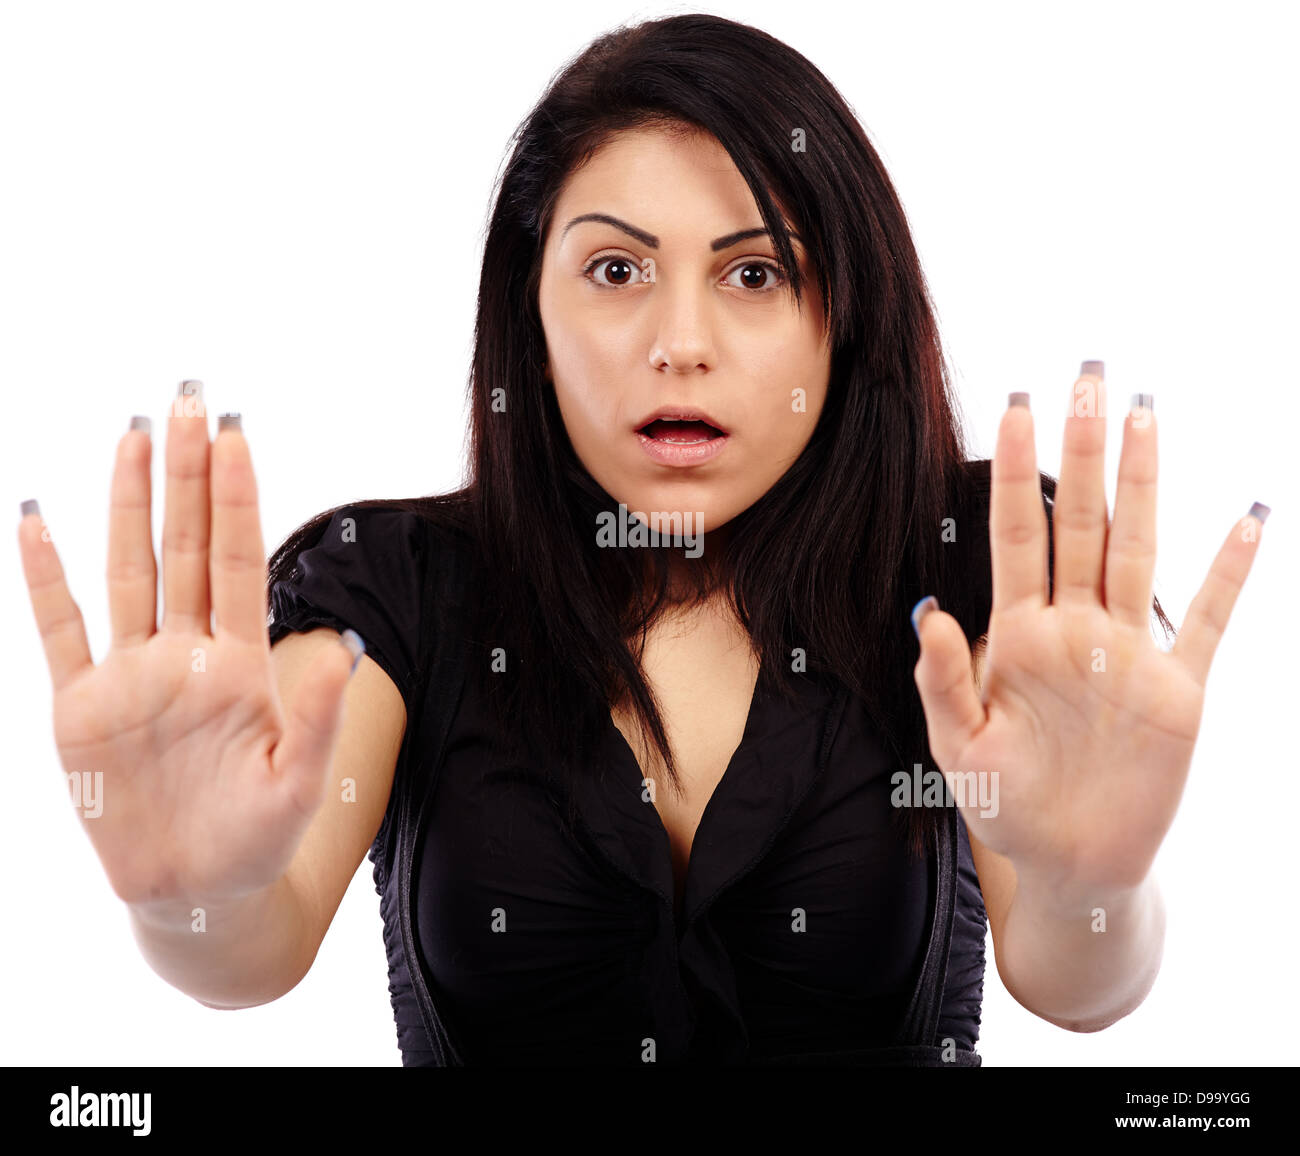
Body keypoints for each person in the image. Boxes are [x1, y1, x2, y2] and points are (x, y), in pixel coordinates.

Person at [17, 14, 1267, 1066]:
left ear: (847, 315)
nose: (680, 340)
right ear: (531, 312)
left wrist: (1088, 883)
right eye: (615, 271)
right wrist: (187, 893)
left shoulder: (977, 562)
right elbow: (253, 943)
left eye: (756, 273)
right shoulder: (397, 586)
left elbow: (1078, 982)